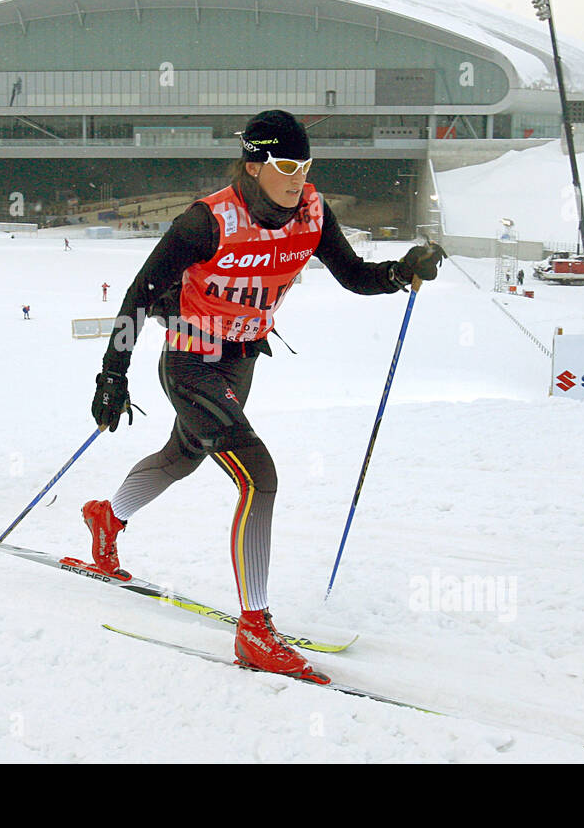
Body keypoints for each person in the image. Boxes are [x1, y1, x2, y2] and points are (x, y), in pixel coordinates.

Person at [84, 110, 444, 683]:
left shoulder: (312, 213)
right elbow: (139, 294)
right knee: (258, 475)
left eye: (304, 165)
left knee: (182, 456)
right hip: (191, 362)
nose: (296, 177)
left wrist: (401, 272)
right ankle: (254, 629)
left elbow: (352, 274)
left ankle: (108, 517)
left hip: (242, 359)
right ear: (253, 165)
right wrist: (112, 374)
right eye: (283, 165)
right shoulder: (207, 221)